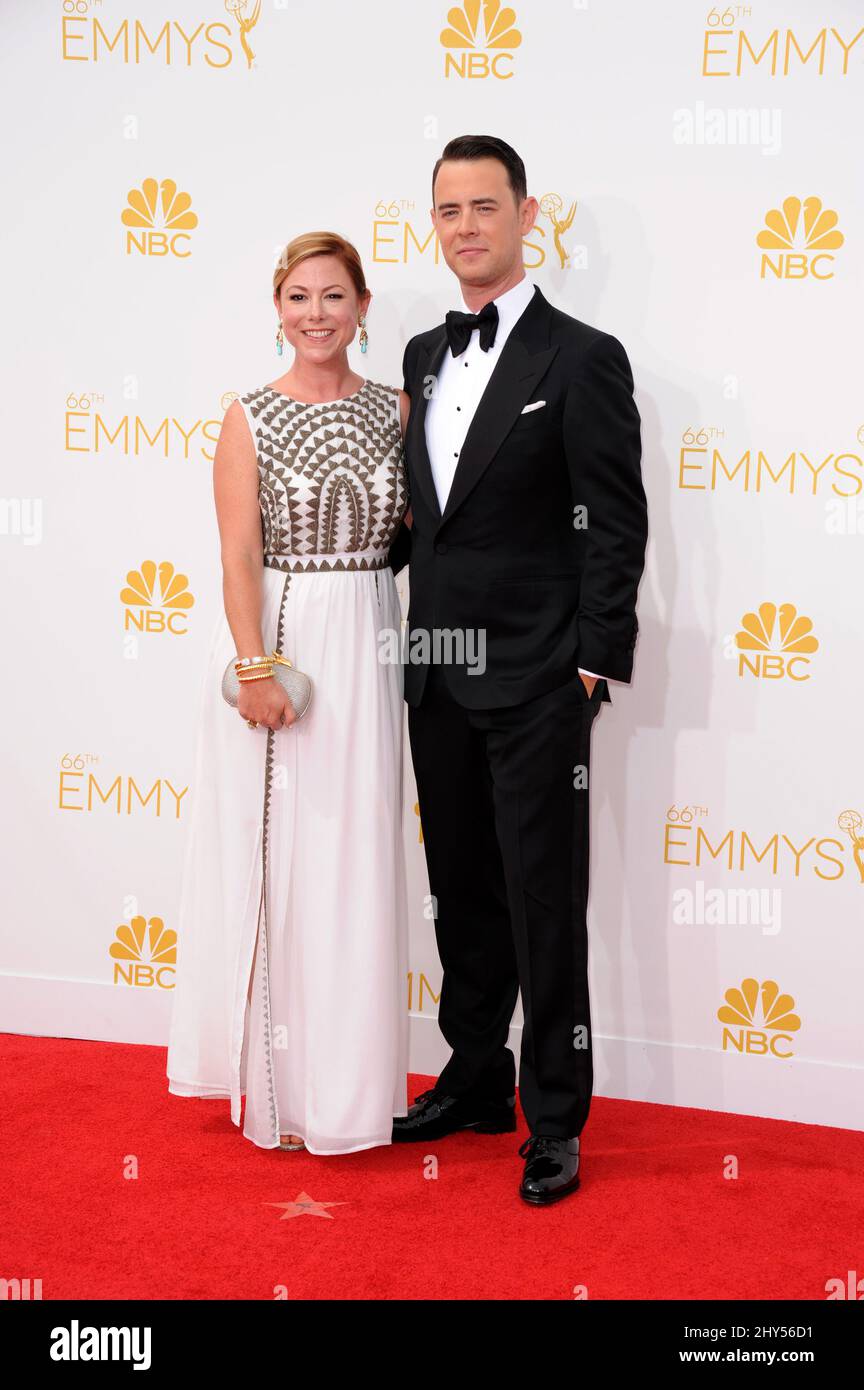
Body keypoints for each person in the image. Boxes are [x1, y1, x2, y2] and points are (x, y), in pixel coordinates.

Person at [392, 136, 648, 1204]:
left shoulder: (582, 355)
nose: (466, 227)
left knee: (545, 898)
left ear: (527, 214)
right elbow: (427, 521)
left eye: (485, 206)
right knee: (461, 894)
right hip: (436, 669)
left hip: (540, 676)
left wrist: (591, 662)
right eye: (448, 209)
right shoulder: (418, 353)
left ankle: (555, 1115)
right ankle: (476, 1074)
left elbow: (615, 519)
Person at [166, 231, 412, 1155]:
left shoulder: (397, 409)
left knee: (353, 859)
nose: (317, 314)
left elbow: (430, 532)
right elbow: (235, 554)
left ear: (362, 307)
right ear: (277, 308)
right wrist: (256, 669)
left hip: (372, 637)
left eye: (334, 296)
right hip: (282, 642)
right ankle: (280, 1096)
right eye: (300, 297)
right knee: (282, 861)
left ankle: (348, 1095)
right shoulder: (248, 415)